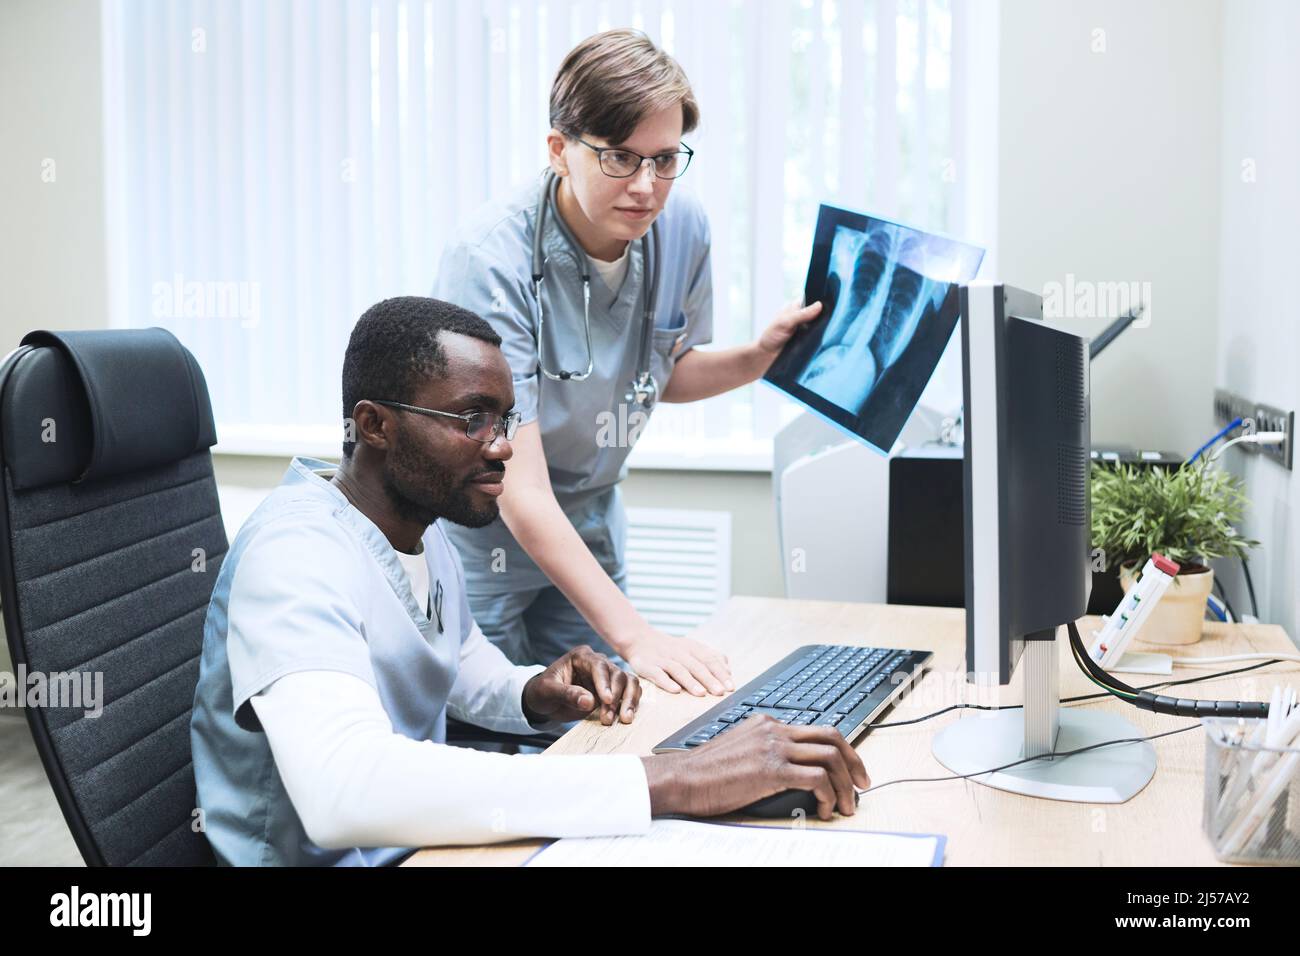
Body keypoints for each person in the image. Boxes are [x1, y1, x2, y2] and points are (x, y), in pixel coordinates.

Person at [189, 297, 867, 866]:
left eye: (505, 418)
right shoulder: (296, 555)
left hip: (421, 850)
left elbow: (450, 661)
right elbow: (344, 790)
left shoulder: (418, 520)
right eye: (471, 418)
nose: (503, 444)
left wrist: (532, 691)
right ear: (375, 425)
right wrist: (676, 778)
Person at [432, 28, 821, 699]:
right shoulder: (490, 261)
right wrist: (639, 634)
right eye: (619, 158)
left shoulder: (680, 228)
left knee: (597, 716)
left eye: (666, 158)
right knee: (497, 726)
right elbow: (521, 490)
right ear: (560, 150)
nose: (646, 186)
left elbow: (654, 376)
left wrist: (758, 358)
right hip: (487, 530)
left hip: (585, 522)